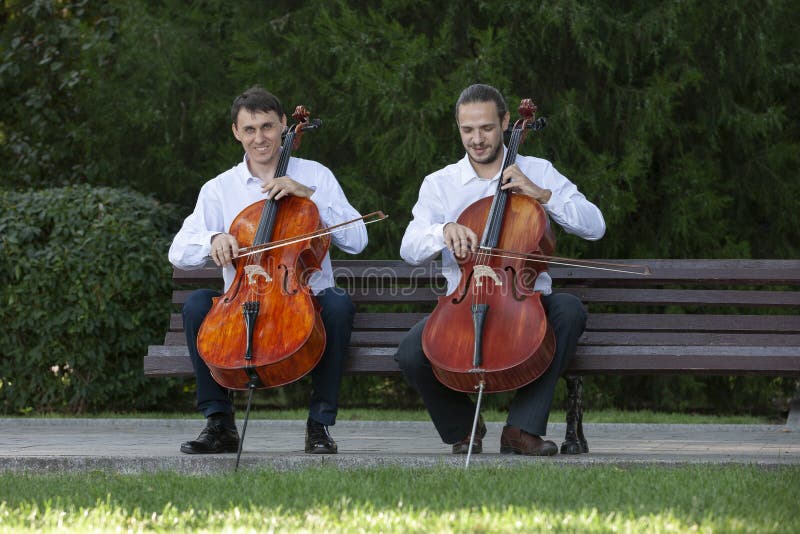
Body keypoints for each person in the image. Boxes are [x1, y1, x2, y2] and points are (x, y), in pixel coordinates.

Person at [395, 83, 605, 456]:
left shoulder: (538, 170)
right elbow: (409, 247)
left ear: (506, 122)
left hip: (526, 303)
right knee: (412, 350)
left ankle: (521, 429)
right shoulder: (440, 184)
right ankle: (465, 429)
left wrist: (542, 195)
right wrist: (442, 231)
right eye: (468, 130)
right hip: (463, 302)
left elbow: (594, 225)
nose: (477, 139)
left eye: (487, 128)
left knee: (569, 311)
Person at [168, 86, 367, 455]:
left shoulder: (316, 176)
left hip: (304, 303)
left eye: (267, 127)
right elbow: (177, 251)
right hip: (241, 303)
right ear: (236, 132)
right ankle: (219, 424)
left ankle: (319, 425)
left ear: (283, 126)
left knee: (338, 304)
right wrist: (212, 239)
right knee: (196, 304)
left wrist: (309, 195)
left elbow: (358, 239)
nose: (259, 138)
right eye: (250, 129)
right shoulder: (219, 189)